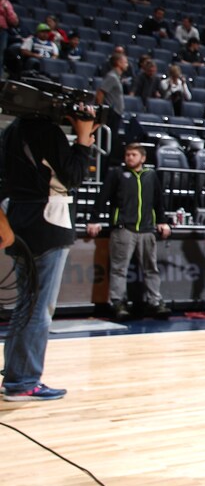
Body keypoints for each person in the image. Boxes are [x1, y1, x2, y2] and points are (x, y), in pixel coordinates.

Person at [1, 104, 98, 400]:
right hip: (48, 221)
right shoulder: (47, 130)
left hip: (19, 219)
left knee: (26, 305)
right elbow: (73, 176)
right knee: (40, 307)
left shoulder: (10, 131)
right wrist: (83, 141)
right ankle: (24, 381)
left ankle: (16, 374)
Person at [86, 143, 172, 320]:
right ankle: (118, 303)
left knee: (151, 268)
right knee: (119, 269)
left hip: (147, 230)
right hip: (124, 229)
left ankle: (155, 302)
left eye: (133, 155)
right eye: (127, 155)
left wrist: (163, 221)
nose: (129, 158)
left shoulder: (151, 175)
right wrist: (94, 219)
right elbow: (103, 197)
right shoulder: (117, 174)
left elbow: (158, 201)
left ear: (143, 158)